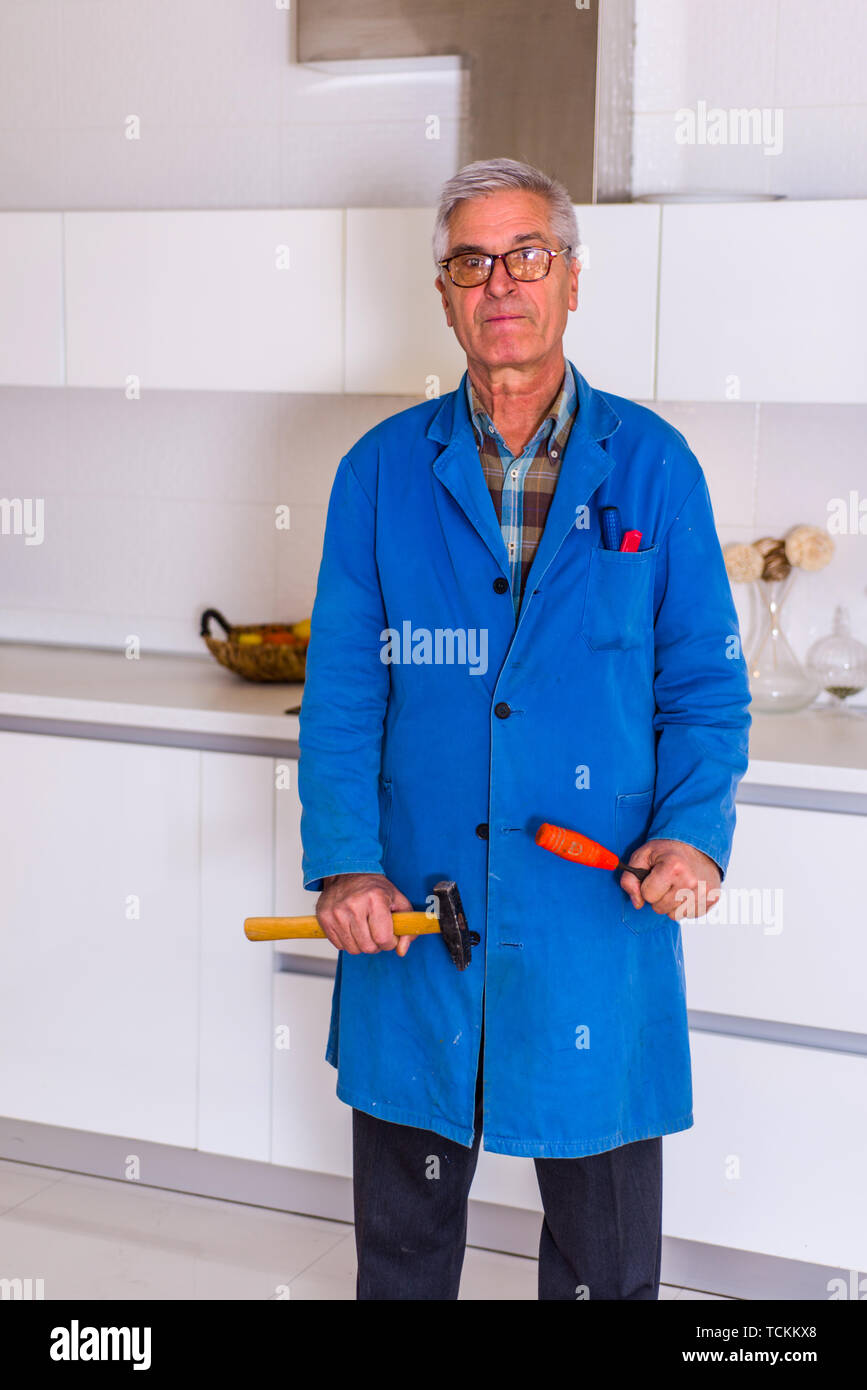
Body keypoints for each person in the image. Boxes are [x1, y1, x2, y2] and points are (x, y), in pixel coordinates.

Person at [297, 157, 752, 1300]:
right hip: (416, 904)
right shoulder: (379, 472)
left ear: (571, 280)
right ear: (444, 293)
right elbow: (345, 690)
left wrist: (693, 832)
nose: (500, 283)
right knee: (402, 1251)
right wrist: (347, 860)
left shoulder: (653, 466)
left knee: (603, 1265)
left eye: (526, 256)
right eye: (471, 262)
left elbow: (704, 681)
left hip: (594, 908)